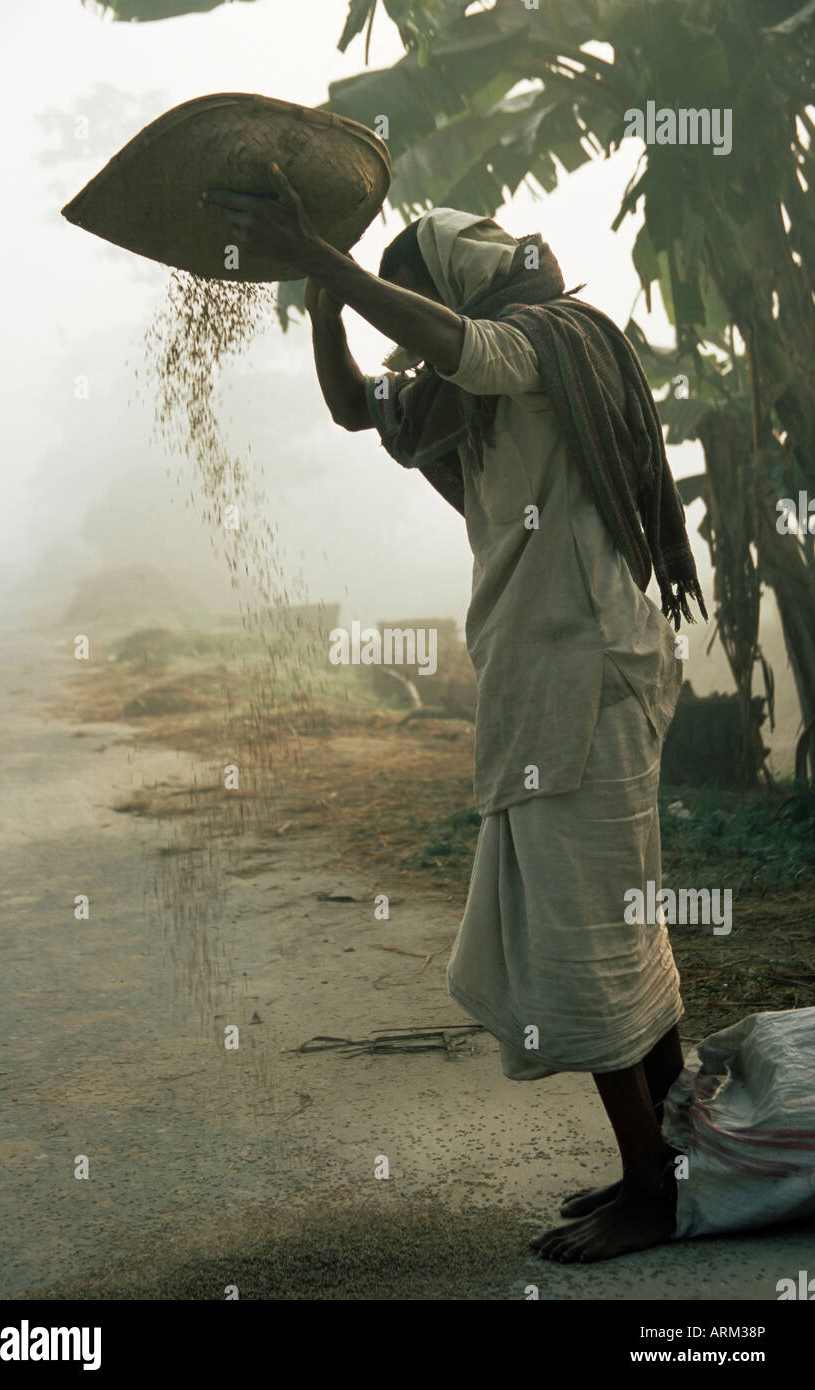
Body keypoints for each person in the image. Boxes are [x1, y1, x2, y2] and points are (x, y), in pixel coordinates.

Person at [203, 165, 708, 1263]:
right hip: (546, 683)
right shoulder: (461, 393)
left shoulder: (548, 343)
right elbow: (353, 406)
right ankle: (674, 1162)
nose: (405, 351)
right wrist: (324, 296)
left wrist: (325, 258)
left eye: (408, 305)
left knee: (584, 938)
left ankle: (652, 1190)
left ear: (454, 284)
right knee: (611, 926)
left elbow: (465, 347)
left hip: (588, 682)